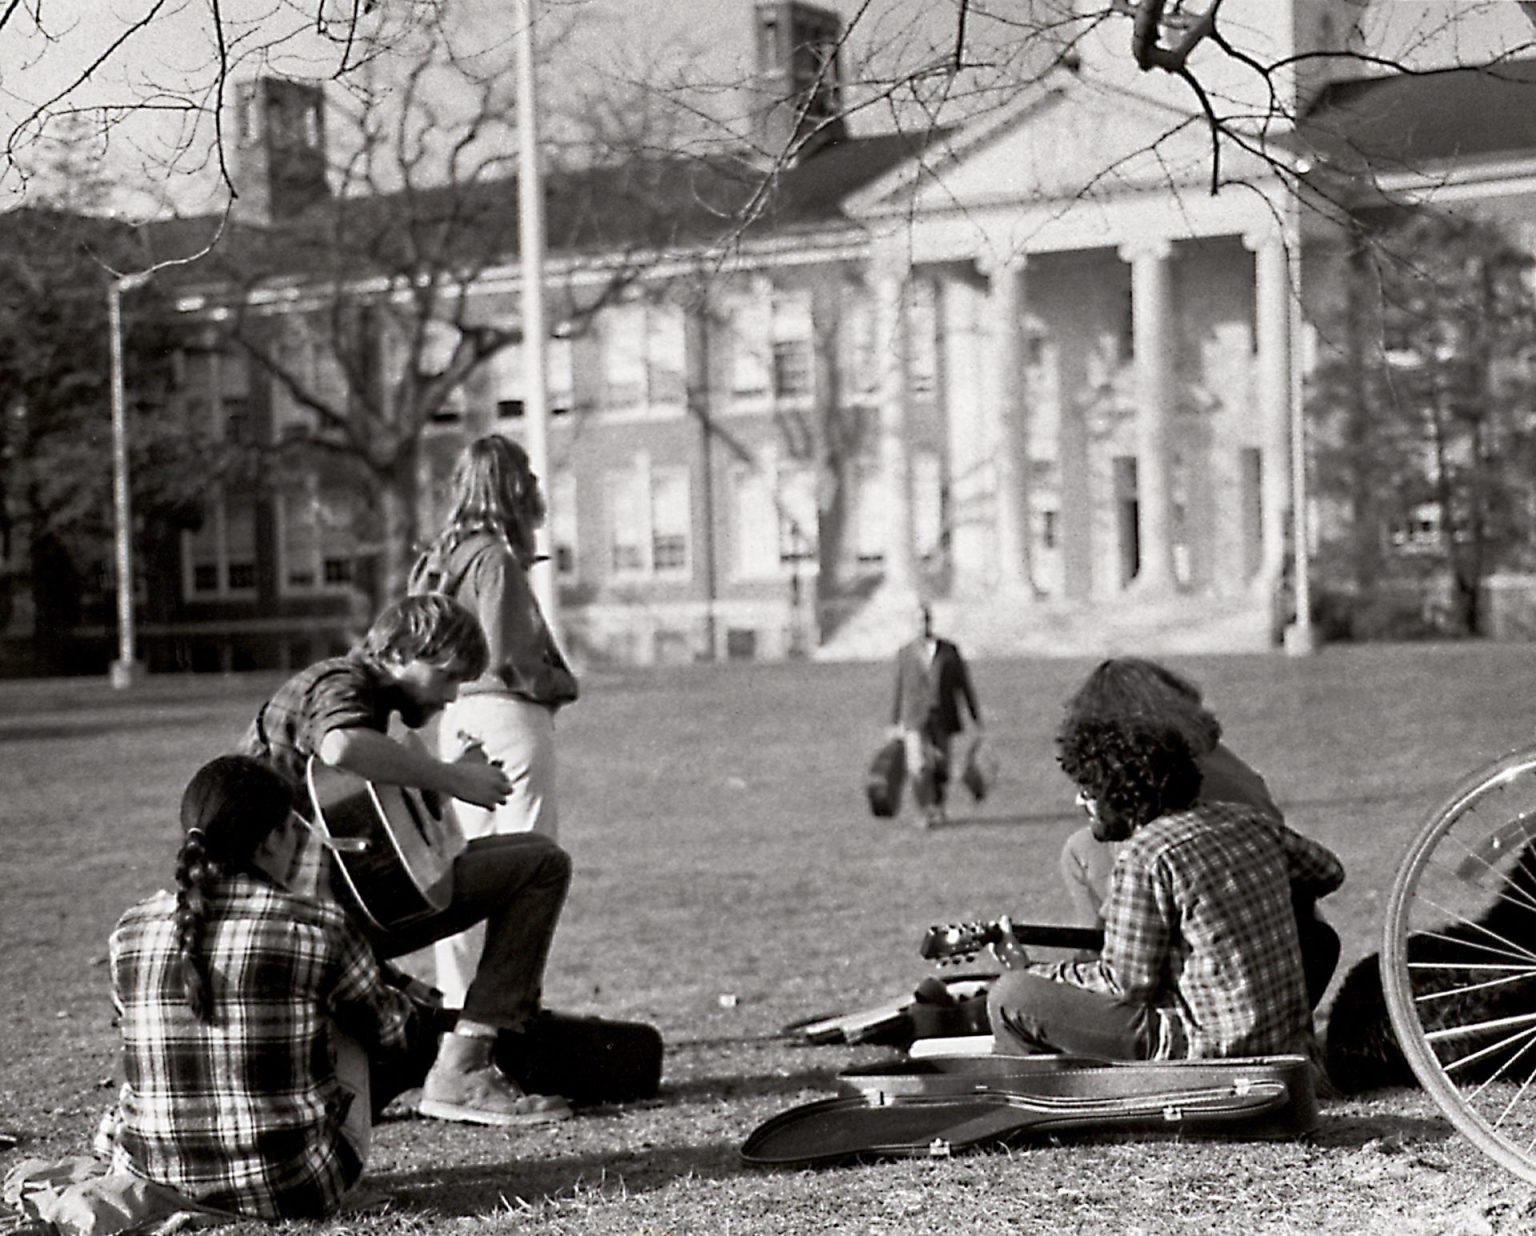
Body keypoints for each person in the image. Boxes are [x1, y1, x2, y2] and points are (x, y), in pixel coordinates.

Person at [239, 593, 573, 1127]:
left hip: (319, 910)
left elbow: (361, 819)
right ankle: (463, 1067)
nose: (450, 696)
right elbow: (342, 747)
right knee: (541, 866)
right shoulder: (337, 683)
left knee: (536, 857)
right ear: (395, 653)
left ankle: (438, 1058)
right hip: (299, 922)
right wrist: (454, 779)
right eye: (444, 676)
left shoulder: (374, 707)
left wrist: (435, 790)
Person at [107, 755, 424, 1220]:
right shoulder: (317, 925)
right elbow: (393, 1035)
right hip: (292, 1188)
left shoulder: (131, 926)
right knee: (345, 1010)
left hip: (157, 1181)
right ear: (273, 838)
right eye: (296, 826)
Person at [987, 717, 1345, 1061]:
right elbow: (1329, 872)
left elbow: (1123, 984)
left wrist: (1030, 969)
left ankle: (1042, 1106)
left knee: (1010, 996)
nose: (1079, 803)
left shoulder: (1145, 855)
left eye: (1086, 791)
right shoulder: (1247, 820)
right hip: (1287, 1047)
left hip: (1208, 1050)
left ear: (1120, 792)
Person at [1053, 656, 1340, 1005]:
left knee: (1081, 850)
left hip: (1231, 964)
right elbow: (1325, 872)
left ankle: (1092, 979)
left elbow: (1150, 885)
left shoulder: (1159, 812)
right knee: (1085, 847)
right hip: (1298, 939)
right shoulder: (1218, 764)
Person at [407, 434, 578, 1009]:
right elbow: (504, 656)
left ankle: (458, 1002)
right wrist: (558, 683)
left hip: (455, 715)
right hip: (509, 714)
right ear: (512, 486)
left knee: (460, 870)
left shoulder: (440, 559)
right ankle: (505, 1007)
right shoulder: (496, 559)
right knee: (531, 866)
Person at [889, 600, 982, 828]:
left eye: (926, 619)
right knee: (918, 766)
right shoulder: (905, 653)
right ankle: (924, 810)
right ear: (913, 623)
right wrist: (893, 722)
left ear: (931, 621)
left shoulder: (949, 651)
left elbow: (964, 684)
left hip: (943, 717)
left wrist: (974, 716)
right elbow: (898, 688)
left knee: (941, 765)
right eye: (919, 620)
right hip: (914, 718)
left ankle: (938, 807)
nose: (923, 624)